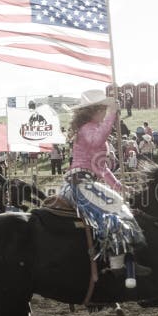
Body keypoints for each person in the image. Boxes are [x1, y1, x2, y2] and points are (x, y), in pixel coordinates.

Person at [62, 89, 144, 289]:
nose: (104, 112)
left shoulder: (92, 129)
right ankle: (117, 264)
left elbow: (101, 167)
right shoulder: (88, 128)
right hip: (80, 183)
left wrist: (118, 186)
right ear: (93, 111)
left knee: (118, 206)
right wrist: (113, 114)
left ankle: (117, 258)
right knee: (112, 214)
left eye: (105, 109)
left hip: (86, 181)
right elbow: (96, 141)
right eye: (103, 109)